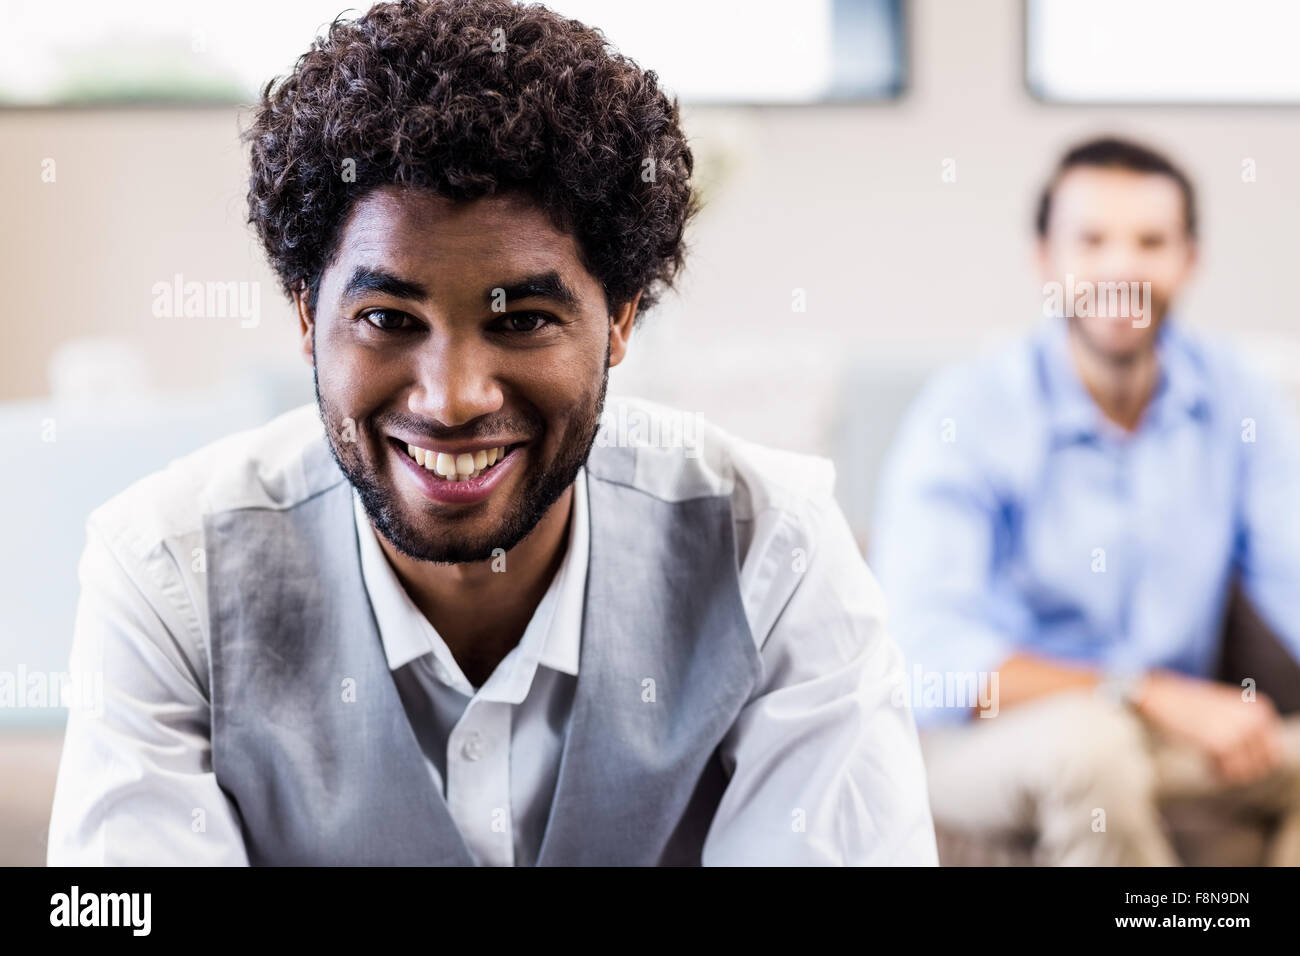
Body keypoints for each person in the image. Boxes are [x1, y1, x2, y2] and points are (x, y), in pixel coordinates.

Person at [46, 0, 937, 866]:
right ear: (306, 316)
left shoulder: (770, 553)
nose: (453, 398)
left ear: (623, 318)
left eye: (521, 322)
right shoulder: (168, 572)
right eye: (389, 318)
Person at [872, 136, 1300, 865]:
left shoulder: (1236, 396)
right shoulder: (969, 412)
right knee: (1091, 744)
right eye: (1092, 239)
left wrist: (1168, 706)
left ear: (1189, 260)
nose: (1121, 267)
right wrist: (1142, 691)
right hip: (982, 741)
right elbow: (929, 656)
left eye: (1150, 241)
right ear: (1046, 259)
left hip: (1169, 736)